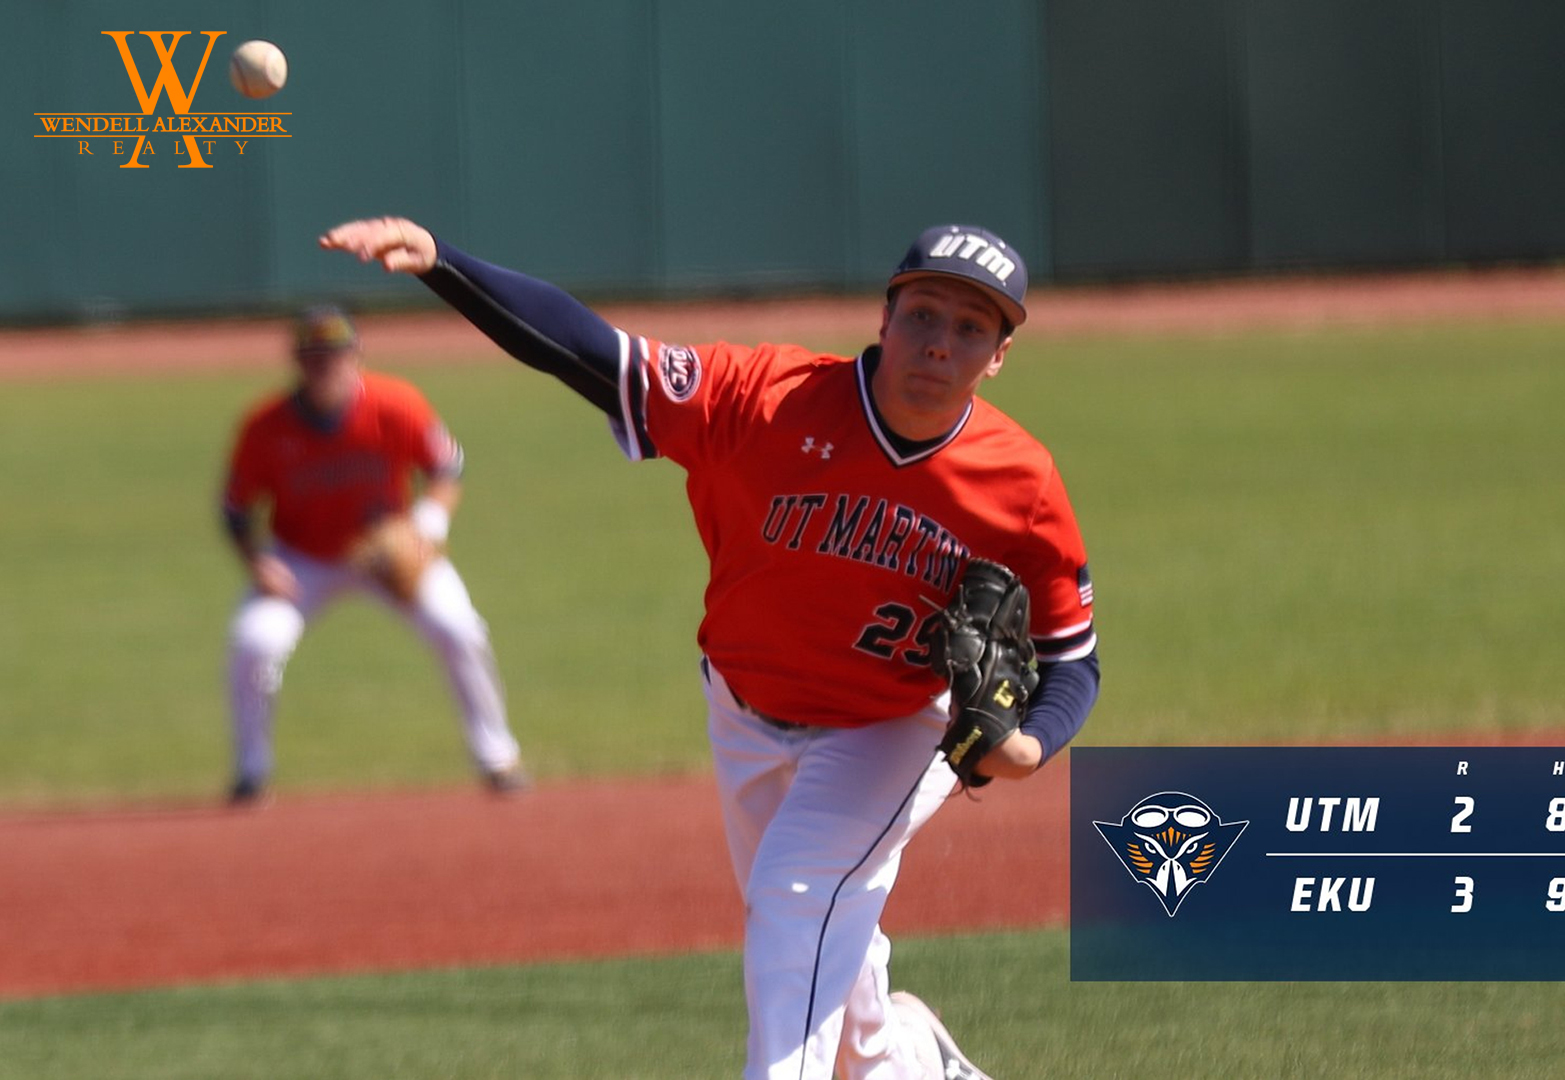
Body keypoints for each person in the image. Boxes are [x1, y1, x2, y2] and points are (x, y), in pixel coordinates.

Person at [319, 218, 1100, 1080]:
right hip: (742, 708)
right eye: (924, 313)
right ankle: (910, 1057)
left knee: (797, 898)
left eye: (970, 327)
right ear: (884, 316)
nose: (939, 343)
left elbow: (1073, 655)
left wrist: (1031, 741)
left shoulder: (1021, 481)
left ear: (998, 357)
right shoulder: (763, 397)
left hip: (889, 730)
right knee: (826, 935)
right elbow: (588, 351)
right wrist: (444, 263)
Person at [219, 305, 526, 805]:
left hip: (390, 551)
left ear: (357, 355)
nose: (327, 366)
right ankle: (251, 772)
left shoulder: (396, 403)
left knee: (459, 629)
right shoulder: (265, 426)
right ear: (297, 361)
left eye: (336, 355)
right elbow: (234, 509)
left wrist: (428, 524)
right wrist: (258, 562)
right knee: (255, 642)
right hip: (303, 558)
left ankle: (497, 758)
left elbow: (446, 470)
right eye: (315, 357)